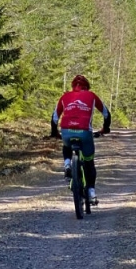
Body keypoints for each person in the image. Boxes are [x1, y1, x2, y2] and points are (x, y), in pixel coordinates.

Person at [51, 74, 110, 206]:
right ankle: (91, 192)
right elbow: (106, 114)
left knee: (66, 145)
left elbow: (54, 118)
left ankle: (67, 164)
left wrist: (55, 133)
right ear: (87, 86)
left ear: (73, 86)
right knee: (89, 163)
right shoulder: (91, 96)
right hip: (85, 132)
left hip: (66, 130)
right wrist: (105, 129)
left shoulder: (65, 96)